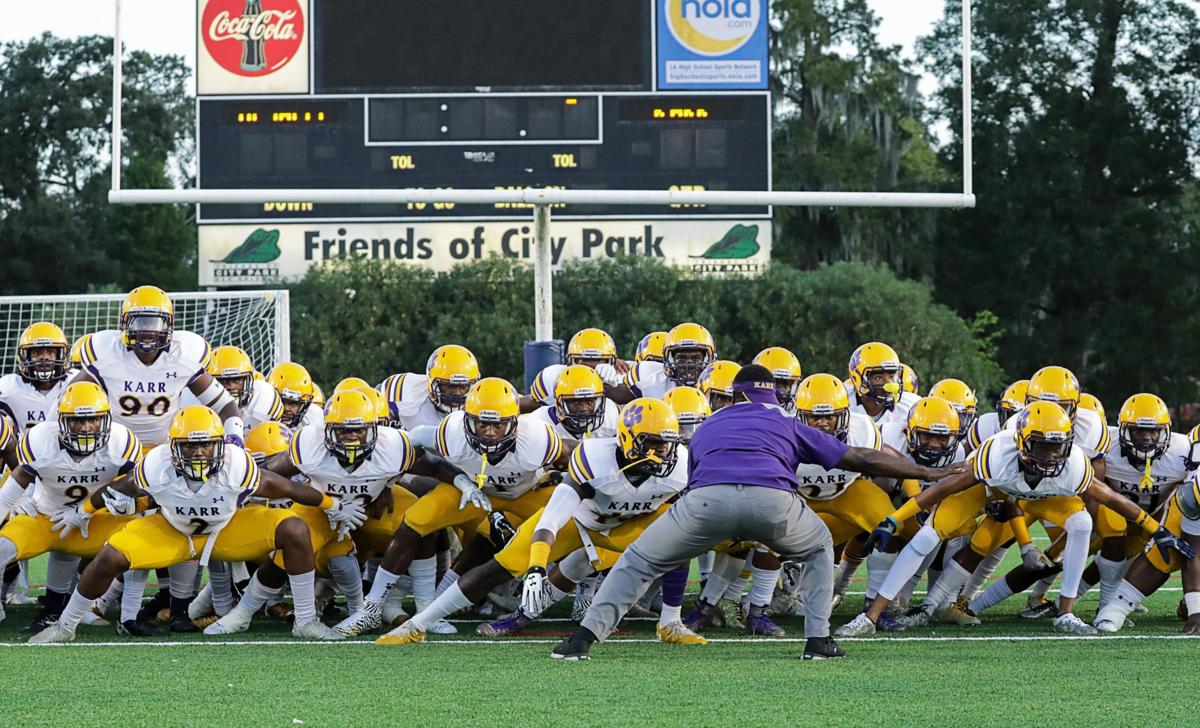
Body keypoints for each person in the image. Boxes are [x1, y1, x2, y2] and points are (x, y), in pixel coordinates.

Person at [551, 365, 960, 661]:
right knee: (818, 547)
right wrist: (927, 471)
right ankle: (818, 642)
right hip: (773, 503)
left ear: (736, 394)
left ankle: (582, 640)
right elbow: (860, 458)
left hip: (706, 502)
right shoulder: (786, 422)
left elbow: (693, 476)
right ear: (770, 397)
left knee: (640, 560)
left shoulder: (709, 423)